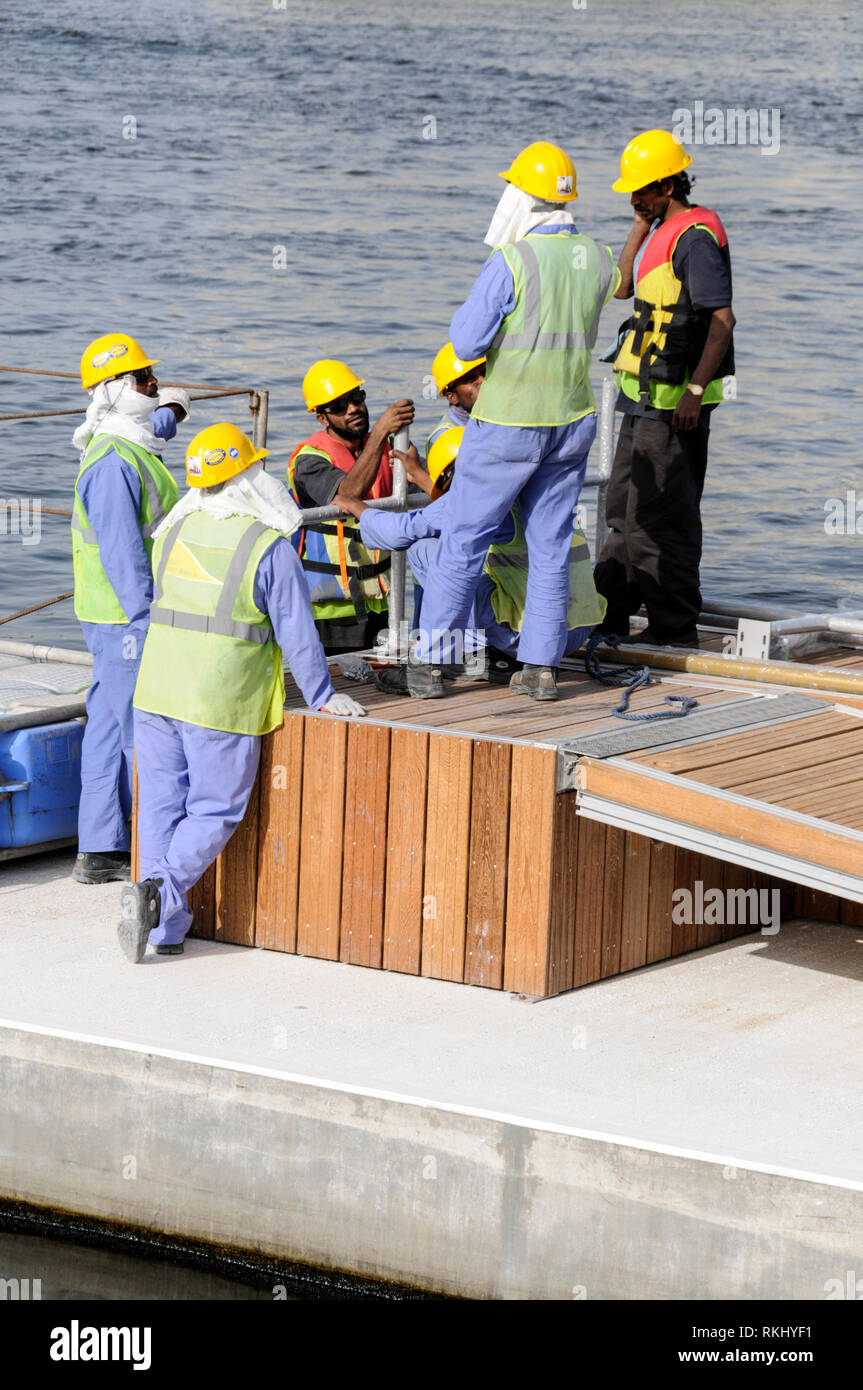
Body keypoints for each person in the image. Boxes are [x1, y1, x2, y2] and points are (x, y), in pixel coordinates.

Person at [120, 423, 365, 964]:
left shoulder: (172, 532)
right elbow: (298, 634)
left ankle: (162, 928)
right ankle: (158, 891)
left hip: (157, 692)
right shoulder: (266, 546)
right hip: (220, 700)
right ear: (248, 477)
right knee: (215, 809)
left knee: (160, 808)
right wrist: (322, 695)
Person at [408, 141, 619, 701]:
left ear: (523, 199)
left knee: (463, 539)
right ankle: (541, 671)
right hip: (572, 420)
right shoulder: (599, 258)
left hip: (508, 423)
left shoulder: (512, 261)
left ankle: (431, 665)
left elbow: (466, 341)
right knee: (549, 543)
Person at [593, 129, 735, 648]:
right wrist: (637, 222)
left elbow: (722, 319)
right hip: (641, 398)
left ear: (668, 184)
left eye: (641, 191)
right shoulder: (660, 228)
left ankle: (674, 631)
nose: (634, 198)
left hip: (676, 406)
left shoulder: (696, 238)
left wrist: (695, 393)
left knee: (662, 519)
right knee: (621, 512)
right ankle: (609, 619)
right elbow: (624, 287)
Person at [338, 426, 606, 695]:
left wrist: (356, 506)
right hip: (576, 630)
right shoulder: (537, 487)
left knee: (425, 549)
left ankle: (456, 656)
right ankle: (501, 654)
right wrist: (421, 476)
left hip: (526, 636)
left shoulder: (475, 500)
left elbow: (399, 531)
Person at [70, 333, 189, 885]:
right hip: (124, 614)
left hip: (113, 612)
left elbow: (162, 416)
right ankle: (132, 845)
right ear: (119, 390)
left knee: (108, 722)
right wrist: (148, 623)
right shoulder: (114, 462)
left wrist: (172, 406)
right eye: (145, 380)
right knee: (134, 727)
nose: (154, 385)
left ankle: (102, 847)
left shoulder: (131, 438)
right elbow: (123, 556)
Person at [287, 360, 415, 653]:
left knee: (381, 677)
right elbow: (350, 492)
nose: (353, 408)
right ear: (322, 418)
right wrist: (382, 430)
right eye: (339, 406)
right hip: (330, 608)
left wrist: (414, 467)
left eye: (356, 398)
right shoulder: (309, 460)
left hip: (379, 598)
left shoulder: (386, 450)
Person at [425, 342, 486, 457]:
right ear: (452, 396)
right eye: (470, 378)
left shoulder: (490, 420)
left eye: (484, 372)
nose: (482, 380)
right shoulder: (444, 439)